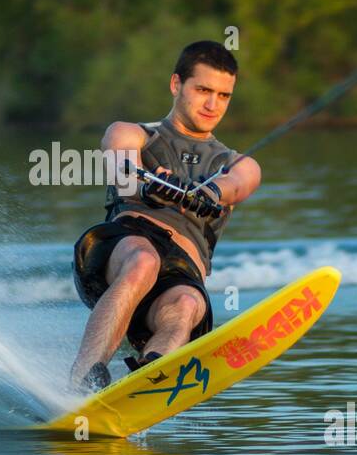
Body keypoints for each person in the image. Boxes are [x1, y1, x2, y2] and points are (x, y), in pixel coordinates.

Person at [68, 41, 262, 392]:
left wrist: (211, 193)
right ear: (176, 85)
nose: (212, 105)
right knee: (144, 261)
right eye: (203, 90)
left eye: (223, 95)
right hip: (120, 252)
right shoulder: (132, 133)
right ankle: (81, 382)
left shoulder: (237, 164)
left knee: (188, 304)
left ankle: (143, 384)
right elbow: (120, 167)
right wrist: (148, 187)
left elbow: (238, 183)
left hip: (181, 273)